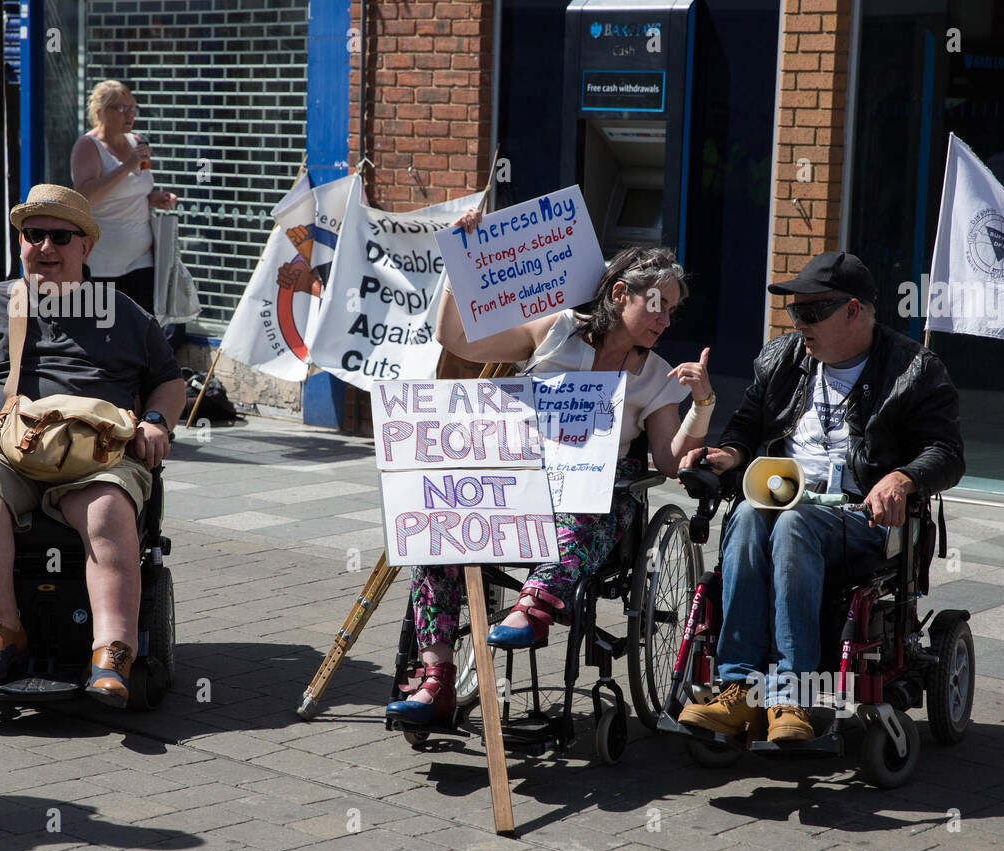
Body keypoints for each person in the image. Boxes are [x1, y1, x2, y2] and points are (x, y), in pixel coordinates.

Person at [386, 211, 714, 724]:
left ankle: (535, 605)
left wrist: (703, 403)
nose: (665, 320)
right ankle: (437, 681)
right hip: (521, 487)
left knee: (587, 508)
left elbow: (671, 462)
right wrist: (461, 259)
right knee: (440, 536)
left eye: (672, 311)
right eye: (658, 304)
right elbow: (456, 339)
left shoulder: (654, 376)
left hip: (598, 500)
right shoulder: (556, 332)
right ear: (620, 293)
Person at [0, 184, 185, 707]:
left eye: (61, 235)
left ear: (86, 246)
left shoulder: (123, 312)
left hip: (95, 453)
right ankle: (1, 631)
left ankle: (111, 651)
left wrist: (155, 421)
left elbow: (169, 380)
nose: (45, 246)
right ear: (20, 243)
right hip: (4, 448)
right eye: (33, 234)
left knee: (107, 507)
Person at [676, 251, 964, 742]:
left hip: (861, 518)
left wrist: (901, 478)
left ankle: (793, 696)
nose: (799, 324)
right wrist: (729, 452)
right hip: (782, 498)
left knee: (794, 523)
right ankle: (739, 689)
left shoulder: (914, 368)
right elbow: (747, 425)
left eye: (811, 313)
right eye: (795, 313)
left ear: (854, 310)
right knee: (746, 514)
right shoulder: (781, 358)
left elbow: (947, 452)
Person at [70, 80, 182, 349]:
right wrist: (127, 165)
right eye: (121, 108)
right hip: (102, 262)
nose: (130, 114)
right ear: (99, 111)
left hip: (141, 258)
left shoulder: (138, 142)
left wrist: (154, 198)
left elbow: (137, 188)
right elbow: (85, 197)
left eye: (133, 108)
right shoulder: (87, 146)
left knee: (142, 333)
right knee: (105, 337)